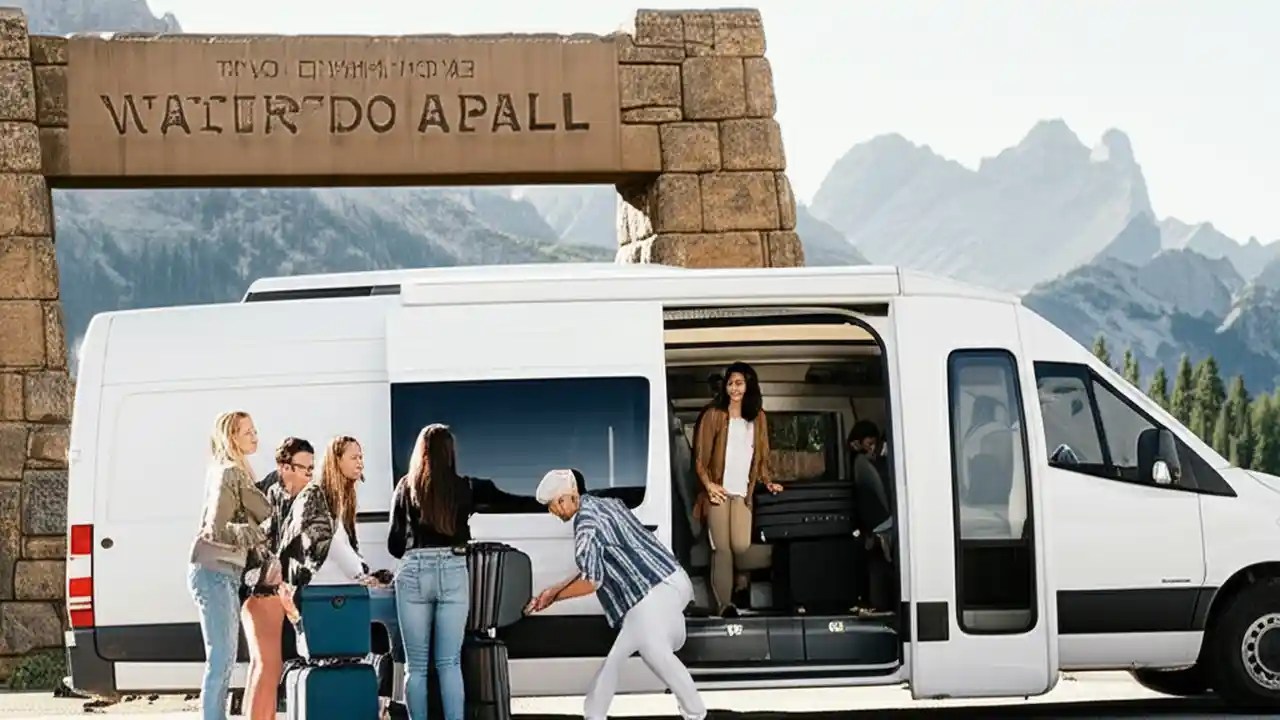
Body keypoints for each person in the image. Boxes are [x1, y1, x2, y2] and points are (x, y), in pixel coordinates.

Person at [528, 468, 706, 720]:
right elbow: (590, 567)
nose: (553, 512)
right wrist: (556, 589)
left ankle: (696, 713)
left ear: (568, 497)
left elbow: (592, 581)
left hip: (651, 590)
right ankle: (594, 714)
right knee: (618, 655)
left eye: (554, 505)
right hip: (670, 578)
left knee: (654, 650)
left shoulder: (585, 526)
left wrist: (554, 598)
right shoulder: (606, 504)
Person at [187, 411, 273, 720]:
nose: (255, 435)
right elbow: (215, 529)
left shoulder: (238, 472)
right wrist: (258, 534)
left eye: (254, 429)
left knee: (223, 658)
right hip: (215, 571)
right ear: (232, 437)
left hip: (223, 572)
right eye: (247, 431)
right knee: (221, 659)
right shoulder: (228, 472)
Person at [387, 424, 475, 720]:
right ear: (449, 452)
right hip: (453, 568)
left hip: (413, 572)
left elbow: (395, 545)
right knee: (449, 662)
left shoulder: (405, 486)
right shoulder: (463, 487)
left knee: (417, 667)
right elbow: (505, 497)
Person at [693, 361, 783, 616]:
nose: (734, 388)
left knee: (741, 548)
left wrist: (768, 481)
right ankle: (725, 605)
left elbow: (762, 456)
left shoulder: (758, 418)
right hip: (718, 491)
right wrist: (708, 485)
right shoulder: (713, 415)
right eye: (730, 383)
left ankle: (745, 582)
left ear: (749, 386)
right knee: (721, 549)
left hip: (744, 493)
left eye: (739, 383)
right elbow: (700, 457)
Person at [239, 437, 312, 720]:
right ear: (284, 466)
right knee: (268, 666)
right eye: (302, 468)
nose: (307, 475)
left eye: (310, 469)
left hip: (259, 588)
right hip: (263, 590)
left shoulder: (275, 493)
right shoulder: (273, 497)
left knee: (263, 665)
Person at [276, 436, 377, 592]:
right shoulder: (316, 494)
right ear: (337, 461)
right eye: (353, 458)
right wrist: (359, 573)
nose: (360, 463)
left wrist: (363, 570)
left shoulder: (345, 498)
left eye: (361, 457)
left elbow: (348, 542)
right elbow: (326, 542)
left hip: (339, 584)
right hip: (316, 586)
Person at [848, 420, 894, 614]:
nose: (873, 449)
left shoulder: (868, 465)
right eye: (869, 444)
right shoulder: (863, 464)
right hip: (877, 526)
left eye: (874, 444)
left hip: (879, 526)